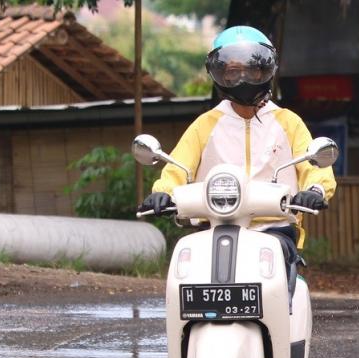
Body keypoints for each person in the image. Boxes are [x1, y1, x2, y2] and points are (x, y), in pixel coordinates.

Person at [138, 25, 336, 267]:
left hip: (273, 228)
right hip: (212, 226)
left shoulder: (288, 122)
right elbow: (178, 168)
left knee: (276, 268)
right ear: (219, 73)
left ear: (265, 70)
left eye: (251, 70)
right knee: (187, 268)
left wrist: (314, 190)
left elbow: (312, 164)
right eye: (232, 71)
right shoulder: (205, 124)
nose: (242, 78)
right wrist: (164, 192)